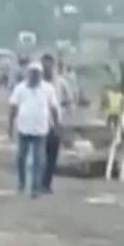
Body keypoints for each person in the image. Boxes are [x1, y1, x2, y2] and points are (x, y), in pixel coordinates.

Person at [8, 61, 60, 199]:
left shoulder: (48, 89)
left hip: (40, 129)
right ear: (28, 74)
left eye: (37, 74)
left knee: (39, 160)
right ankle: (21, 182)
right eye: (32, 74)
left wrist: (56, 125)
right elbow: (13, 107)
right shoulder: (20, 88)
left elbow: (54, 108)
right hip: (23, 128)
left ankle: (35, 187)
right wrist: (10, 125)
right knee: (20, 158)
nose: (34, 77)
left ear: (41, 75)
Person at [40, 54, 74, 193]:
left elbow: (70, 101)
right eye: (44, 66)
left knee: (52, 156)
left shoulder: (61, 83)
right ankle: (40, 182)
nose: (46, 68)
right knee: (39, 155)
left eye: (49, 66)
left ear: (52, 66)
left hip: (56, 124)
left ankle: (46, 183)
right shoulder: (35, 83)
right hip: (38, 124)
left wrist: (65, 116)